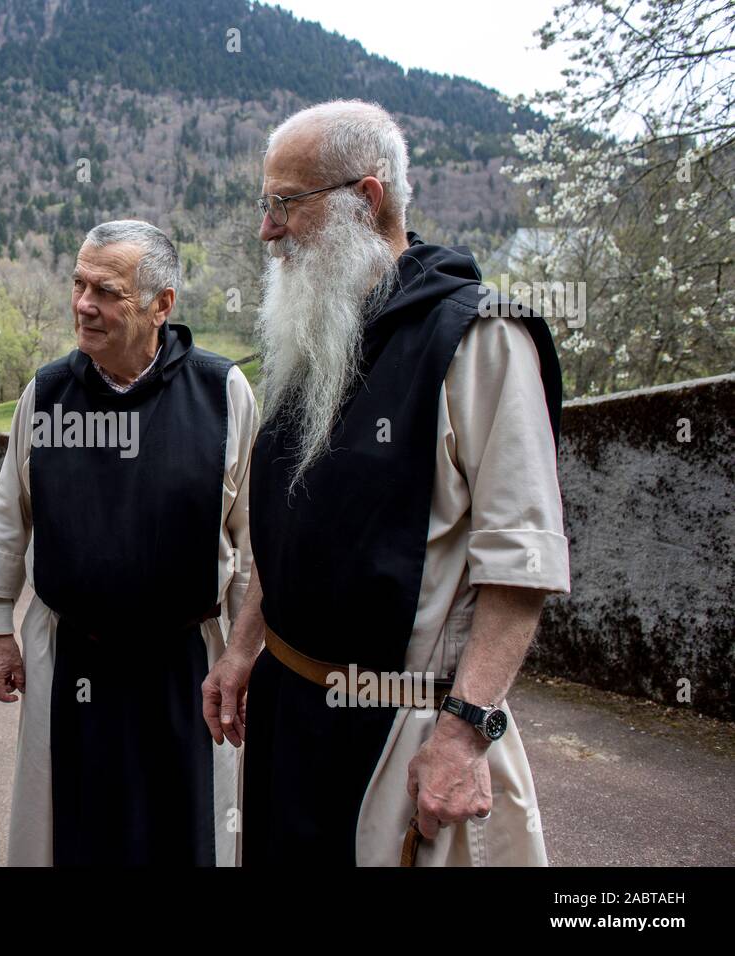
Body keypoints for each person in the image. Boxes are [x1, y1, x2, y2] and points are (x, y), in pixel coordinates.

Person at [203, 101, 568, 866]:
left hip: (398, 729)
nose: (266, 230)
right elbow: (287, 519)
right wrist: (241, 649)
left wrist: (465, 733)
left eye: (284, 204)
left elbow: (521, 561)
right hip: (289, 716)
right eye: (264, 204)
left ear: (366, 199)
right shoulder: (318, 335)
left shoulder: (480, 338)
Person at [0, 220, 258, 865]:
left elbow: (250, 539)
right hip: (70, 651)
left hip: (187, 659)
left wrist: (243, 654)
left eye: (106, 291)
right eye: (78, 284)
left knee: (184, 829)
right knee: (75, 832)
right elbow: (8, 517)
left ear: (162, 305)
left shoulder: (220, 393)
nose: (83, 304)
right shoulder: (47, 394)